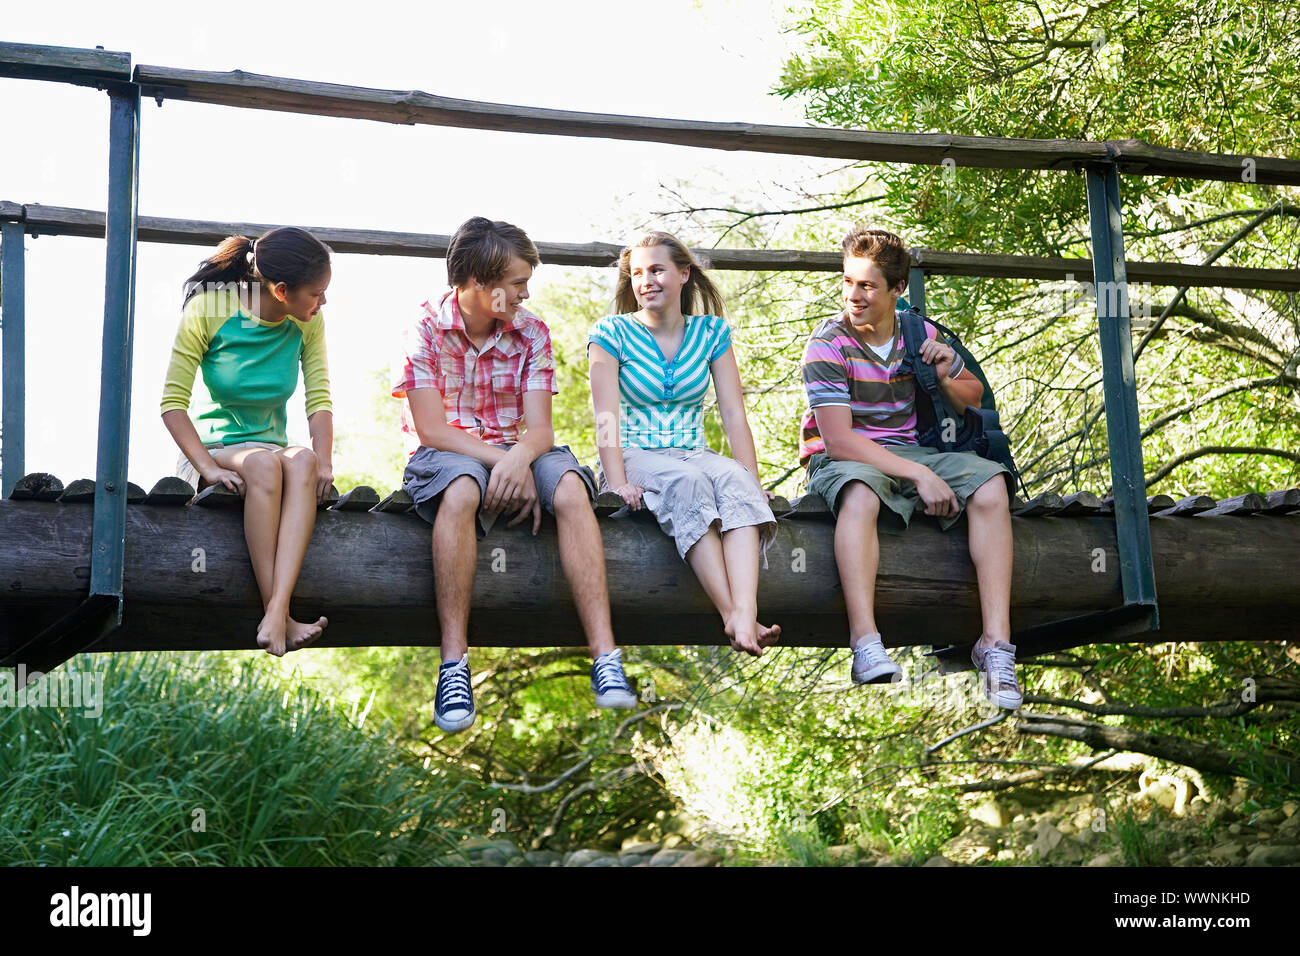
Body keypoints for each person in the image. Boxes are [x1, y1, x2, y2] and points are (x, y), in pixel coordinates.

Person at [394, 216, 636, 735]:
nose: (527, 293)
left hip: (518, 449)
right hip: (447, 451)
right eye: (518, 282)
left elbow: (541, 431)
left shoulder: (532, 331)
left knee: (572, 487)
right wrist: (501, 461)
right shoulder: (424, 328)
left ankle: (606, 656)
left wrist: (519, 458)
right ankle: (454, 667)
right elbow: (432, 429)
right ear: (480, 282)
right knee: (460, 490)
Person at [799, 226, 1021, 708]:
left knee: (991, 486)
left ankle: (996, 646)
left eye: (867, 285)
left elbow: (973, 400)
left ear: (897, 290)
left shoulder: (921, 333)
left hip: (909, 448)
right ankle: (865, 644)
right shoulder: (827, 344)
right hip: (843, 457)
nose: (853, 296)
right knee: (860, 492)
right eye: (847, 282)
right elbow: (838, 439)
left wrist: (944, 375)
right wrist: (919, 475)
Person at [588, 232, 779, 658]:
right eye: (637, 273)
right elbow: (606, 419)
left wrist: (751, 477)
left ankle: (746, 612)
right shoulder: (610, 333)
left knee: (734, 478)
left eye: (656, 269)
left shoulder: (711, 333)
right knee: (688, 481)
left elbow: (733, 414)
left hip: (694, 452)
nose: (646, 281)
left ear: (683, 274)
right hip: (635, 456)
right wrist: (616, 480)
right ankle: (731, 614)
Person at [161, 227, 334, 658]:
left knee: (302, 461)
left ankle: (279, 611)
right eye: (316, 293)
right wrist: (208, 468)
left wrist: (325, 462)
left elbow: (320, 398)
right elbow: (172, 404)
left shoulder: (306, 322)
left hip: (270, 451)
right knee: (262, 465)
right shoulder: (210, 309)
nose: (323, 302)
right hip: (209, 452)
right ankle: (275, 611)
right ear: (280, 290)